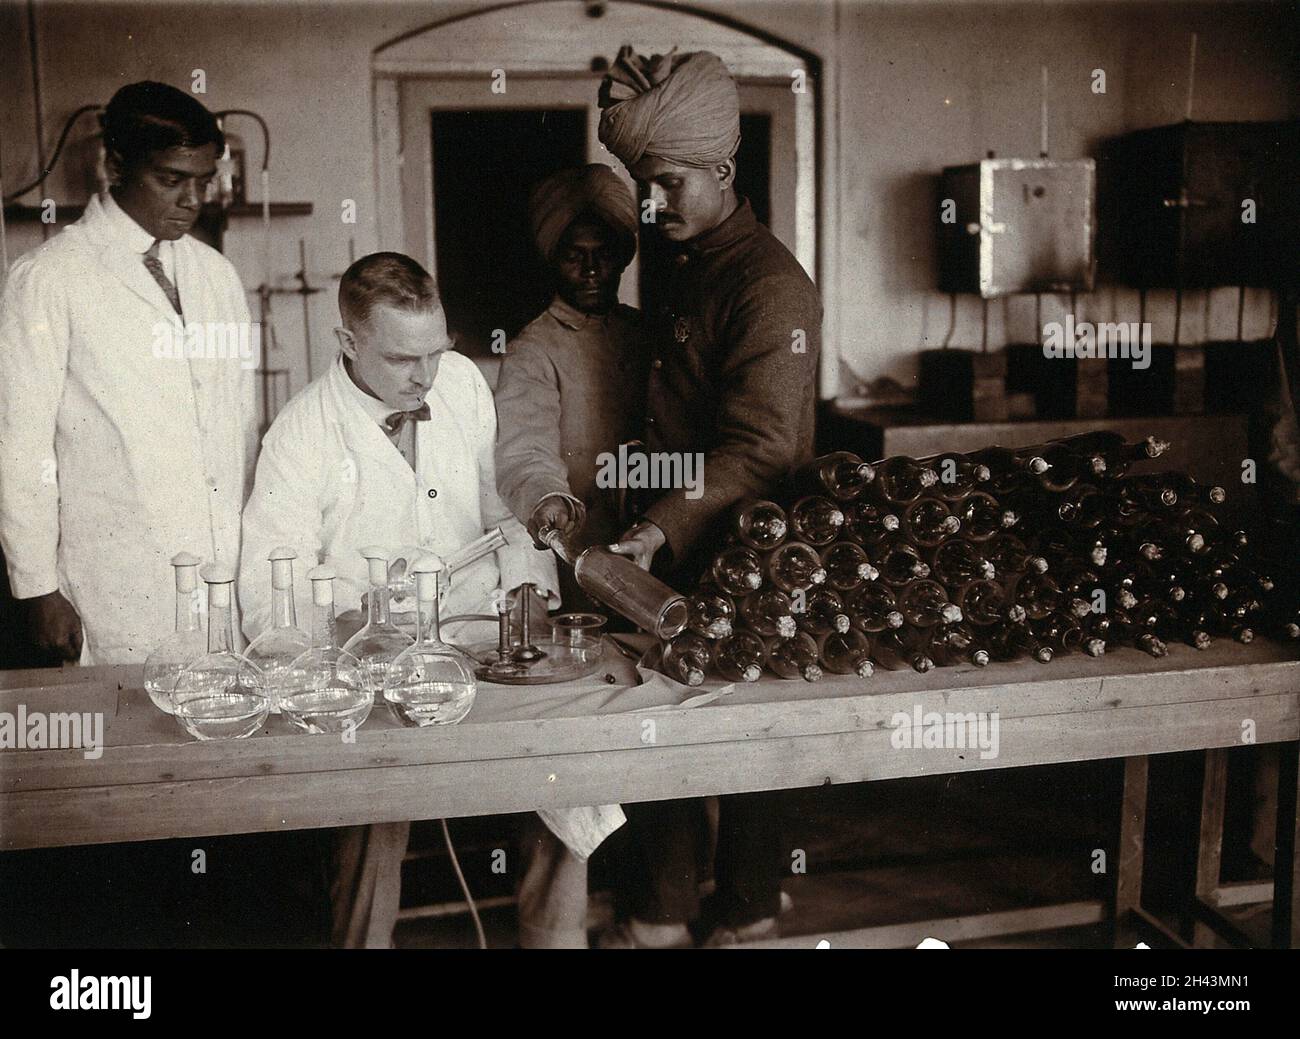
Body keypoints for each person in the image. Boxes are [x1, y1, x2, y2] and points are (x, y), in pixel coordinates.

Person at [239, 251, 557, 948]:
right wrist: (355, 627)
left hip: (483, 639)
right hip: (371, 666)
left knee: (569, 771)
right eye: (403, 359)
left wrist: (529, 590)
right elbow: (269, 594)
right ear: (347, 343)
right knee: (371, 796)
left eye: (436, 352)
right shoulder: (299, 435)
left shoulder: (467, 383)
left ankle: (556, 941)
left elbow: (509, 515)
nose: (426, 377)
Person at [596, 47, 823, 947]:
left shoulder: (770, 285)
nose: (652, 205)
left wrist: (658, 522)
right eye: (643, 186)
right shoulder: (692, 259)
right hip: (686, 542)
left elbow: (763, 447)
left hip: (744, 549)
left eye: (667, 183)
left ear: (723, 171)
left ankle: (741, 910)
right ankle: (673, 909)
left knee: (747, 735)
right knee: (672, 724)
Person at [0, 81, 256, 666]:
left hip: (224, 572)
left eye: (203, 179)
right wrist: (37, 586)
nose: (192, 198)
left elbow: (239, 426)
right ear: (113, 166)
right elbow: (20, 445)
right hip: (114, 576)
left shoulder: (216, 275)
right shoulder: (49, 278)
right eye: (170, 179)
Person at [494, 164, 648, 947]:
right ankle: (554, 936)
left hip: (656, 575)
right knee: (563, 770)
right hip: (572, 585)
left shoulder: (647, 337)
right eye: (573, 255)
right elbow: (522, 448)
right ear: (550, 260)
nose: (591, 270)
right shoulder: (531, 351)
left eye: (605, 253)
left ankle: (659, 917)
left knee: (666, 749)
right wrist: (551, 504)